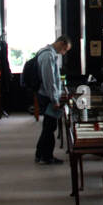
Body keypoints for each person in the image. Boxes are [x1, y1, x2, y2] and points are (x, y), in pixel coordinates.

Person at [35, 36, 71, 164]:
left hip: (46, 95)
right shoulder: (48, 56)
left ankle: (40, 153)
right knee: (50, 127)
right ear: (61, 43)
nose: (64, 52)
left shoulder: (48, 53)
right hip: (47, 97)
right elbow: (49, 80)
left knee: (48, 126)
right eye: (65, 49)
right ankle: (46, 156)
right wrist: (55, 100)